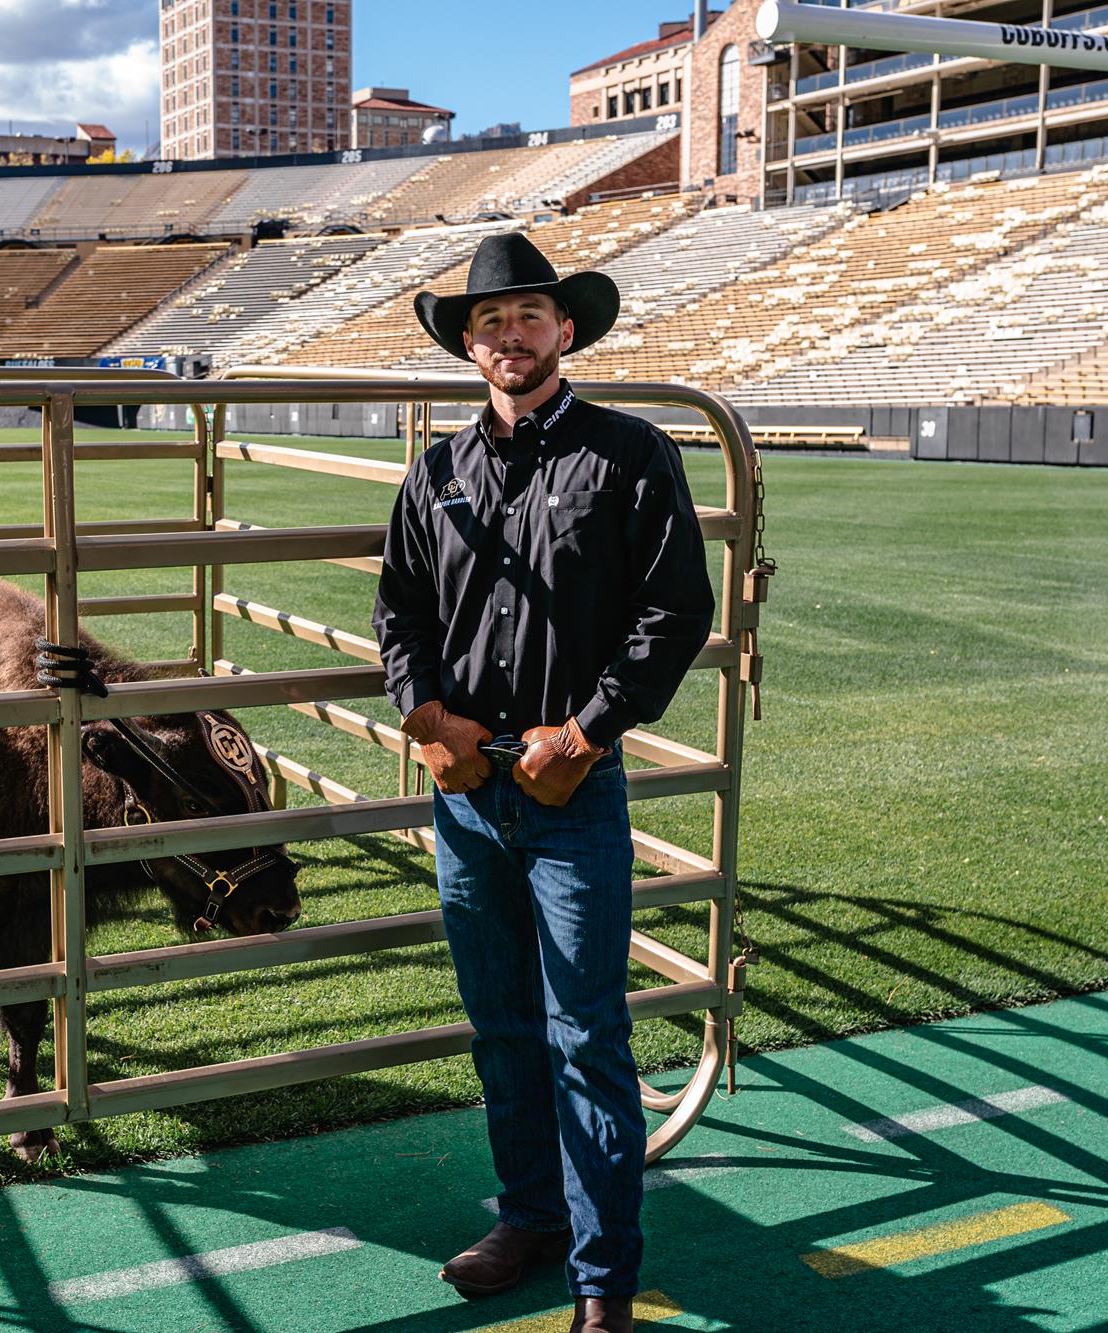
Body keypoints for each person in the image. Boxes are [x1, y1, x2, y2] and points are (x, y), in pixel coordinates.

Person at [371, 231, 716, 1333]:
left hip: (574, 791)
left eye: (525, 317)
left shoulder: (629, 454)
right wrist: (424, 717)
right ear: (466, 346)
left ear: (564, 331)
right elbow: (399, 613)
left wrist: (588, 731)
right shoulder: (432, 473)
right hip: (465, 795)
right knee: (501, 1027)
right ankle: (529, 1217)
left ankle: (603, 1278)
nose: (507, 336)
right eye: (487, 323)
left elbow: (675, 613)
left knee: (586, 1034)